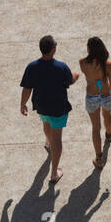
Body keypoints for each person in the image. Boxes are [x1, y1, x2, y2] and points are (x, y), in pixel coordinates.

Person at [20, 35, 79, 184]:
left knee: (46, 123)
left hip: (41, 106)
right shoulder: (61, 67)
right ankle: (54, 173)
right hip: (58, 108)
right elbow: (70, 80)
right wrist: (76, 76)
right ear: (53, 50)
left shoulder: (32, 67)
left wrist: (23, 104)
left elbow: (27, 88)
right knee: (57, 140)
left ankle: (47, 141)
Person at [79, 36, 111, 170]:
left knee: (95, 128)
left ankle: (98, 158)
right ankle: (109, 133)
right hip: (106, 96)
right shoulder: (108, 65)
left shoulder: (82, 63)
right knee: (107, 116)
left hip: (91, 97)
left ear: (89, 49)